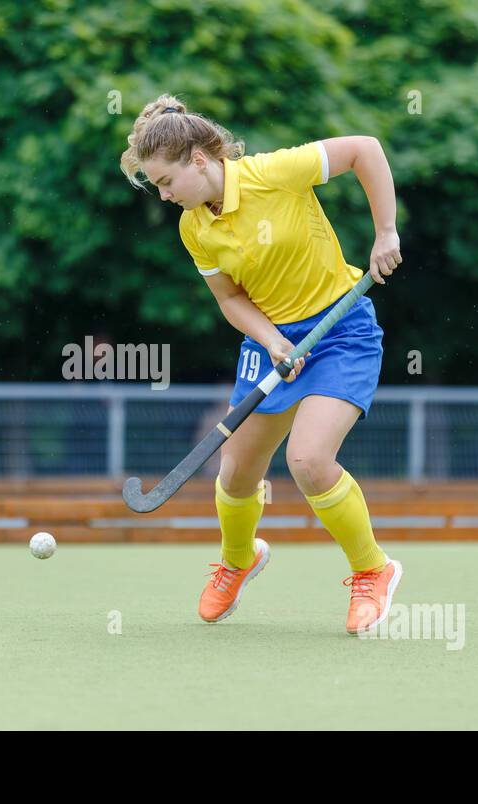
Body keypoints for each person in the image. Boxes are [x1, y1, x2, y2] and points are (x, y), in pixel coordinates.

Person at [119, 94, 404, 634]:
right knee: (236, 471)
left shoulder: (275, 173)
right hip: (271, 343)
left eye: (166, 182)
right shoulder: (194, 228)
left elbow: (365, 150)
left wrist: (385, 231)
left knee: (309, 460)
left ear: (199, 161)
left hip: (339, 330)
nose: (163, 195)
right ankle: (238, 559)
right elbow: (230, 300)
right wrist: (272, 340)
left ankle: (374, 571)